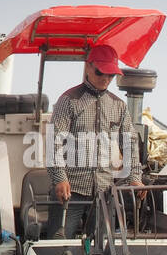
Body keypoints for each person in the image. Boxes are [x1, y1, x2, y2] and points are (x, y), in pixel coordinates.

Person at [46, 45, 145, 238]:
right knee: (57, 248)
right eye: (101, 72)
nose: (106, 79)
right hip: (70, 191)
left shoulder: (119, 106)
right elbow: (54, 142)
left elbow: (130, 143)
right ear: (88, 67)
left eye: (111, 75)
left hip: (104, 192)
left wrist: (135, 177)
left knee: (102, 254)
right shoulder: (69, 100)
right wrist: (59, 178)